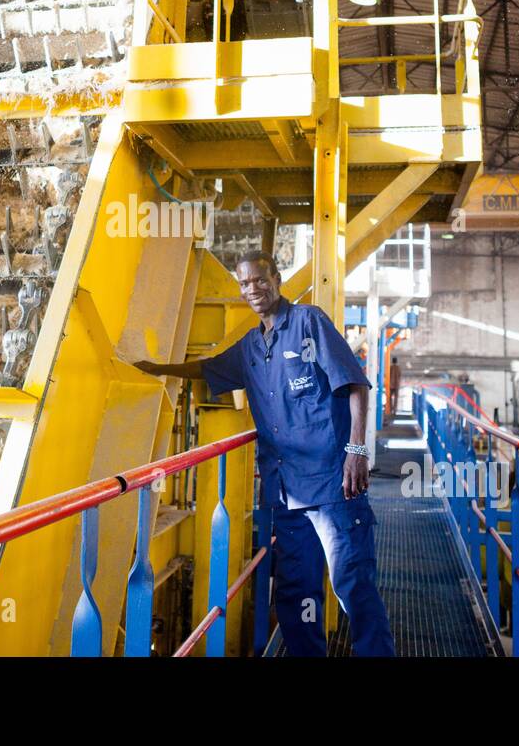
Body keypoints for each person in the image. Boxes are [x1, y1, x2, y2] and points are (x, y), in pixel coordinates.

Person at [133, 250, 396, 657]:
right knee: (296, 593)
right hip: (287, 493)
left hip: (333, 486)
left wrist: (357, 450)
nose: (253, 289)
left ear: (276, 278)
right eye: (245, 283)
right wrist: (157, 369)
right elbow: (208, 369)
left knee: (352, 586)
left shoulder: (309, 322)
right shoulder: (252, 348)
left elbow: (355, 385)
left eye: (260, 280)